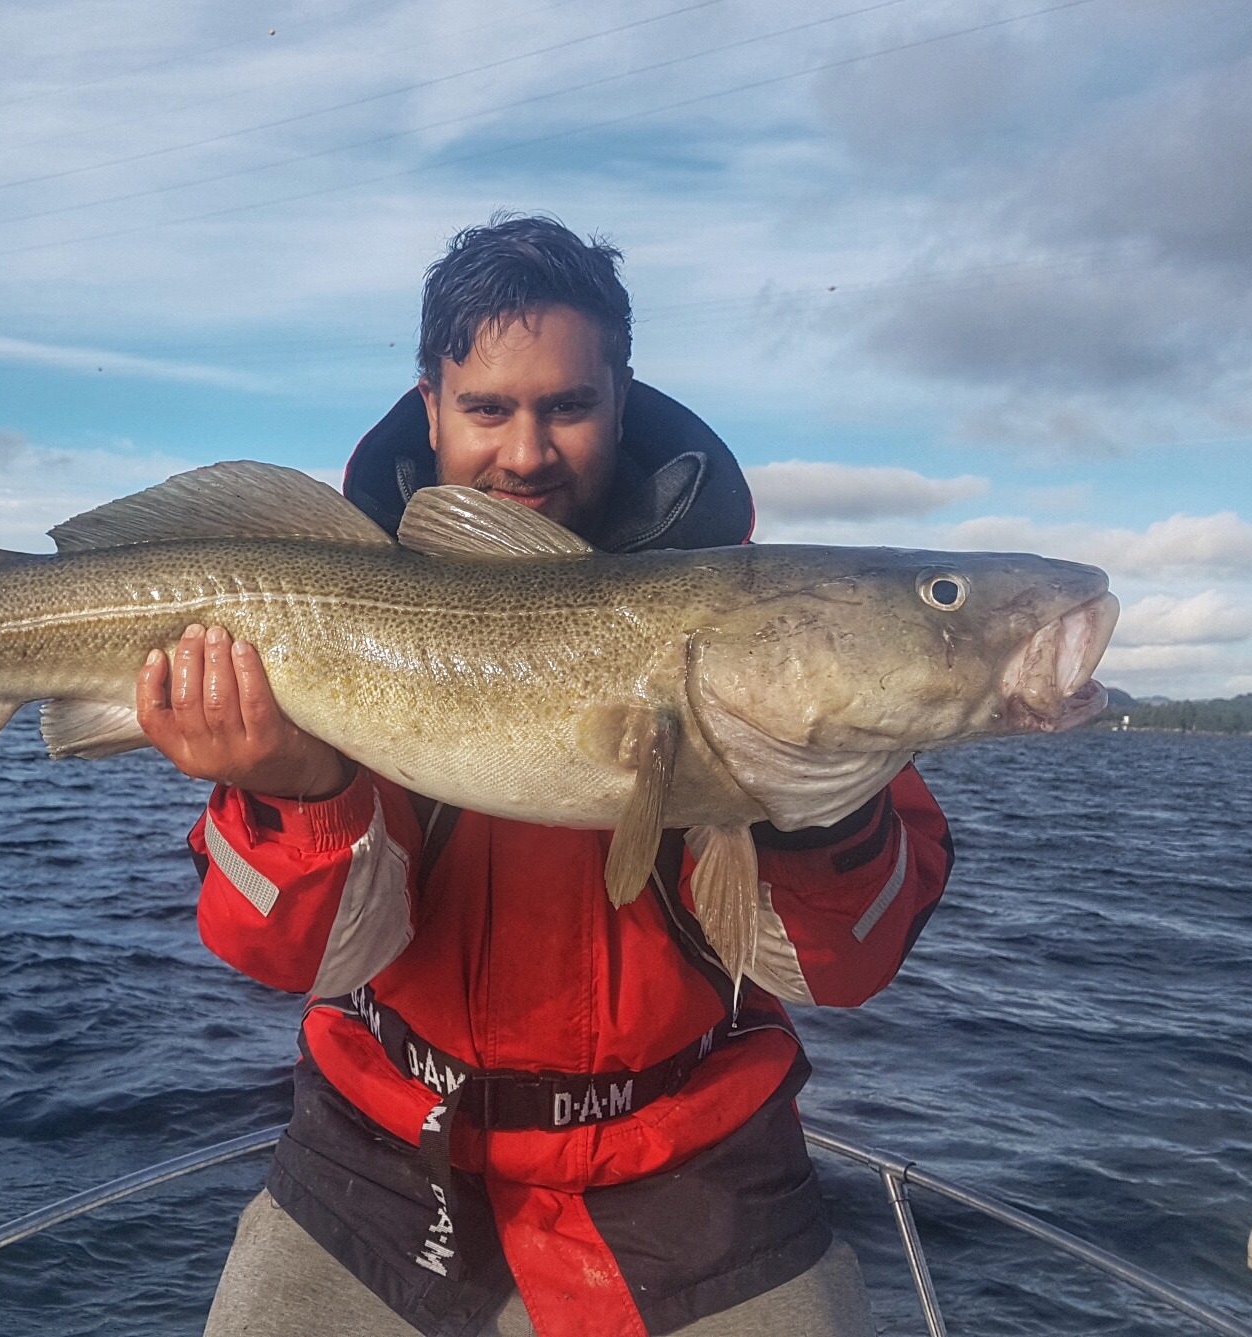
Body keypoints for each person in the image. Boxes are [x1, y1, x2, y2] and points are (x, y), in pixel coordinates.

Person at [134, 215, 953, 1337]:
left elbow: (842, 965)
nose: (526, 451)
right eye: (487, 408)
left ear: (620, 398)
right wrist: (294, 788)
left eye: (566, 405)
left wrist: (817, 799)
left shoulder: (779, 631)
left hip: (699, 1183)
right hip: (375, 1163)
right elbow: (291, 958)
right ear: (430, 405)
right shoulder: (323, 610)